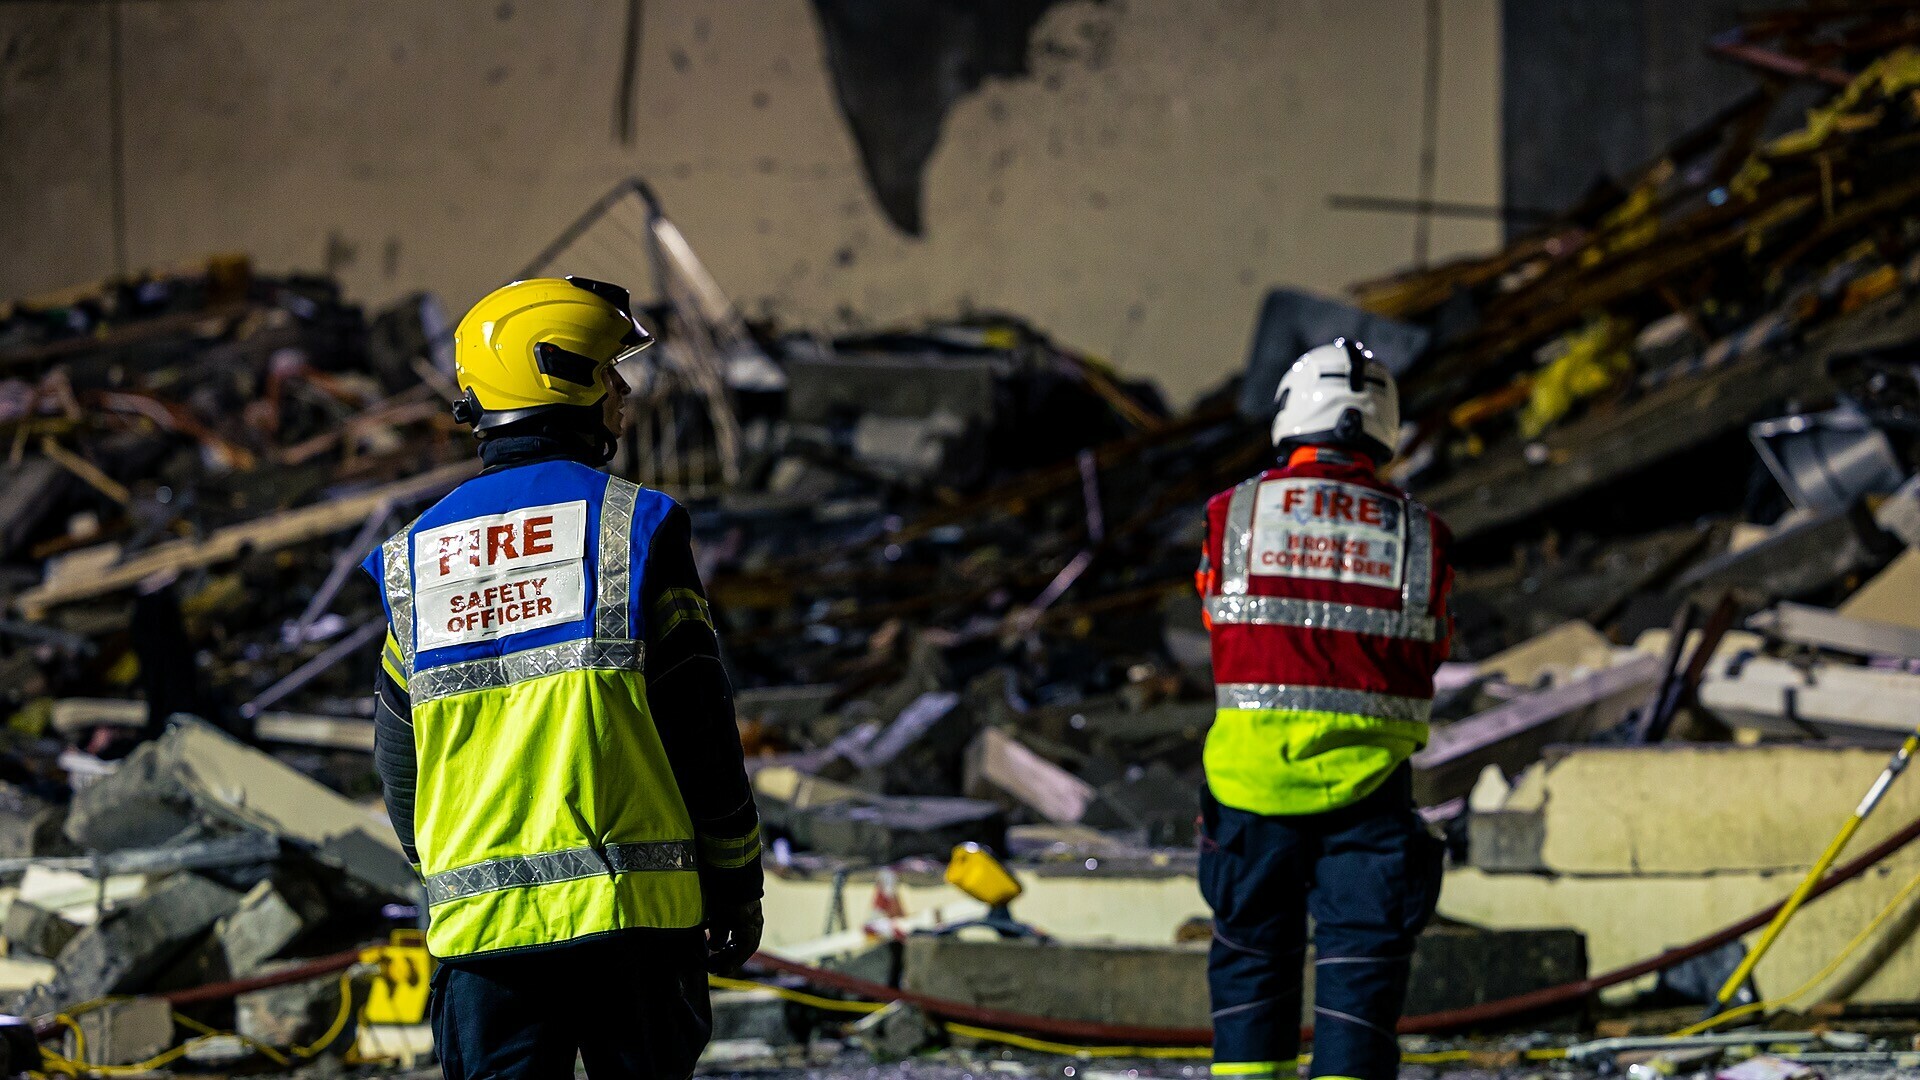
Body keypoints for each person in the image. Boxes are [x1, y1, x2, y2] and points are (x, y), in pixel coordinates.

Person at [360, 277, 763, 1079]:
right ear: (560, 379)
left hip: (482, 942)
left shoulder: (417, 556)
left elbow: (398, 761)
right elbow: (699, 723)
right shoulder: (634, 526)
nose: (620, 392)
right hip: (632, 925)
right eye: (606, 370)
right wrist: (735, 878)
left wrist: (450, 873)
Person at [1193, 339, 1453, 1080]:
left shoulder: (1232, 512)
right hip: (1371, 789)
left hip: (1250, 787)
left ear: (1287, 415)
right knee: (1359, 987)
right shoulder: (1422, 534)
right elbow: (1431, 646)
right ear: (1385, 429)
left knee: (1250, 971)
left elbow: (1219, 621)